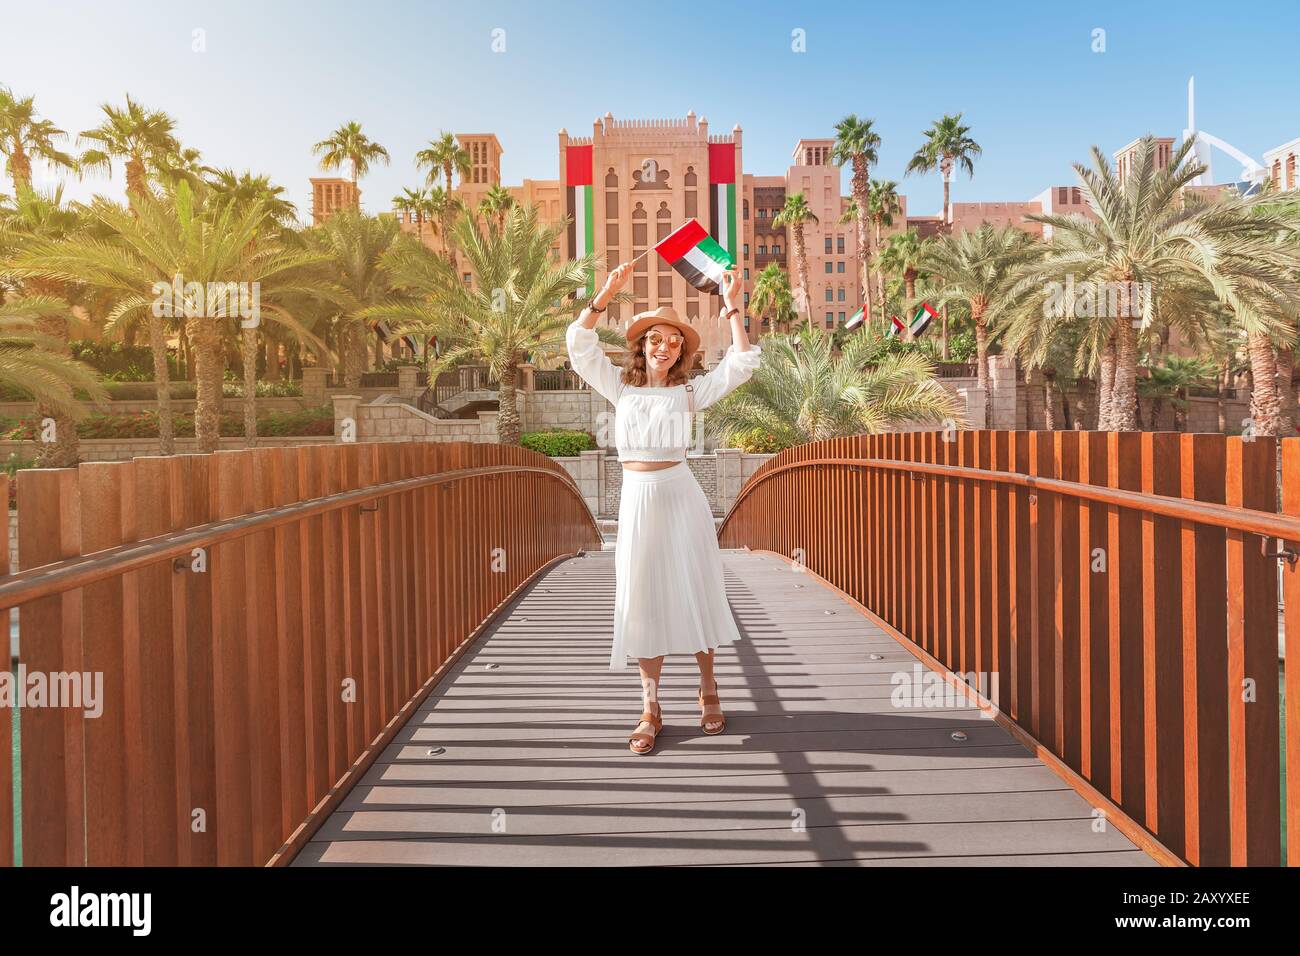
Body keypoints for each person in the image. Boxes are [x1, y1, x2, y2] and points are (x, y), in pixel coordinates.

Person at [565, 262, 762, 754]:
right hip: (636, 501)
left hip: (680, 495)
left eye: (674, 341)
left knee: (695, 587)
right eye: (656, 337)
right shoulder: (621, 387)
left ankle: (709, 685)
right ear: (642, 345)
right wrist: (603, 295)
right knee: (642, 597)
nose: (664, 346)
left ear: (680, 352)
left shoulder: (690, 392)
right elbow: (578, 347)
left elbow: (741, 364)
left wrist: (731, 304)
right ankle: (650, 705)